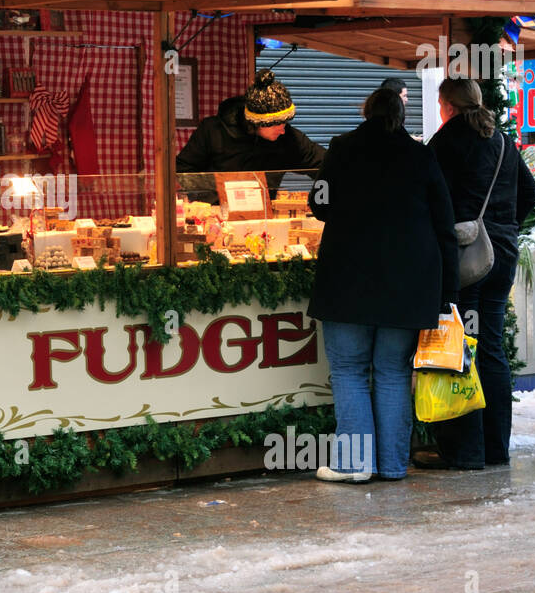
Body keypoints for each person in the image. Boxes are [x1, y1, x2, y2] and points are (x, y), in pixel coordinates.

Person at [308, 88, 459, 481]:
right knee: (393, 372)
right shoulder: (421, 155)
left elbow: (320, 203)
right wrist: (448, 294)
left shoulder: (341, 148)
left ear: (365, 110)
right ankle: (392, 466)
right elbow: (446, 226)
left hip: (347, 280)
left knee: (349, 370)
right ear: (402, 115)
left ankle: (354, 464)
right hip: (408, 285)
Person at [419, 76, 535, 470]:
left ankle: (465, 450)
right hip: (501, 256)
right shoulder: (502, 140)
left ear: (447, 106)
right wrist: (504, 227)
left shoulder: (446, 141)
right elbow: (531, 195)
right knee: (490, 347)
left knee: (460, 349)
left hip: (464, 262)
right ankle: (496, 448)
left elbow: (429, 197)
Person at [176, 70, 326, 179]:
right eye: (275, 124)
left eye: (285, 123)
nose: (282, 130)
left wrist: (322, 200)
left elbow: (325, 164)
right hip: (216, 216)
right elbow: (182, 169)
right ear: (256, 123)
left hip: (265, 219)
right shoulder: (212, 131)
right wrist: (208, 194)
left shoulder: (289, 138)